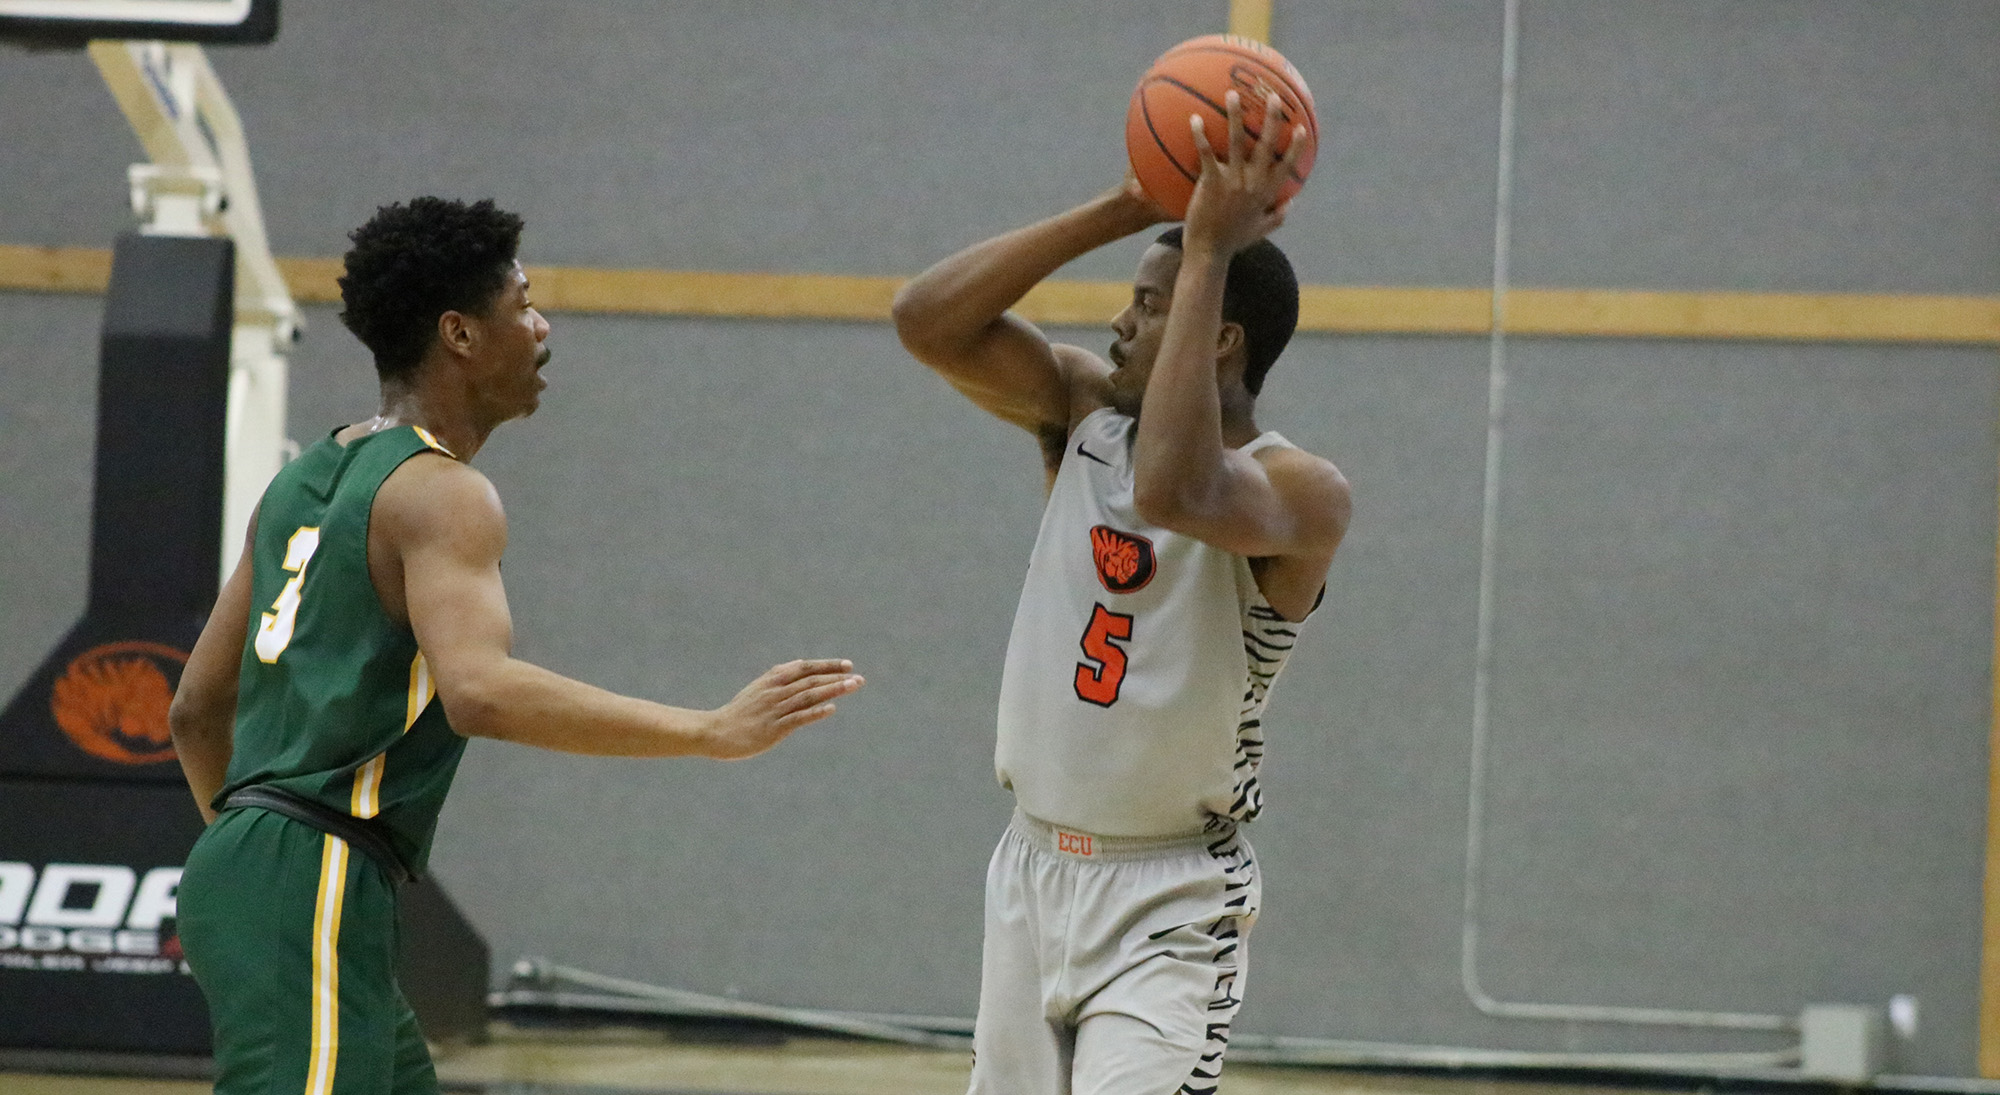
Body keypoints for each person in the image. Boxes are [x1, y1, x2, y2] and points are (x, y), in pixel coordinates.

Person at [165, 196, 865, 1095]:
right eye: (523, 303)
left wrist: (249, 857)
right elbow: (480, 692)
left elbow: (194, 710)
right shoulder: (442, 493)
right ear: (459, 333)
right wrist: (709, 729)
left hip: (251, 865)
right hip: (313, 866)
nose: (543, 326)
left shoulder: (299, 482)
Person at [891, 92, 1350, 1095]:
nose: (1118, 320)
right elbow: (924, 320)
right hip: (1029, 870)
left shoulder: (1299, 493)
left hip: (1169, 895)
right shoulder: (1081, 415)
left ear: (1216, 338)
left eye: (1146, 303)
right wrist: (1127, 202)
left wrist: (1202, 256)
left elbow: (1176, 490)